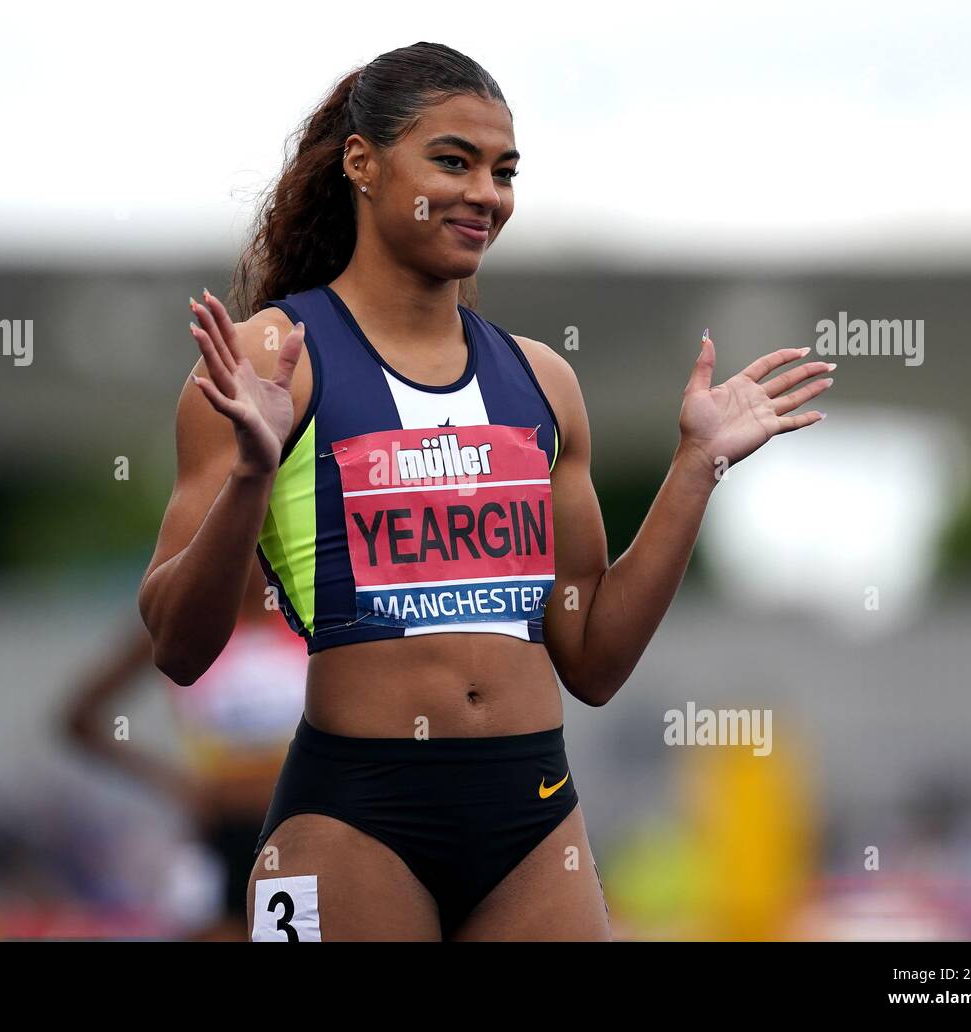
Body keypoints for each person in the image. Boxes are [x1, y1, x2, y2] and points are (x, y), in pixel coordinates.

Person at [138, 42, 834, 941]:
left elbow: (590, 660)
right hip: (356, 817)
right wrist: (250, 473)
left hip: (535, 816)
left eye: (504, 171)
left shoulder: (541, 382)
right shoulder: (271, 361)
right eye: (453, 161)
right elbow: (177, 646)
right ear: (363, 164)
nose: (486, 194)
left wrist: (695, 469)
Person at [65, 563, 305, 940]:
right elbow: (79, 720)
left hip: (303, 827)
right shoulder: (186, 624)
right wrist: (174, 784)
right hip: (223, 832)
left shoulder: (312, 616)